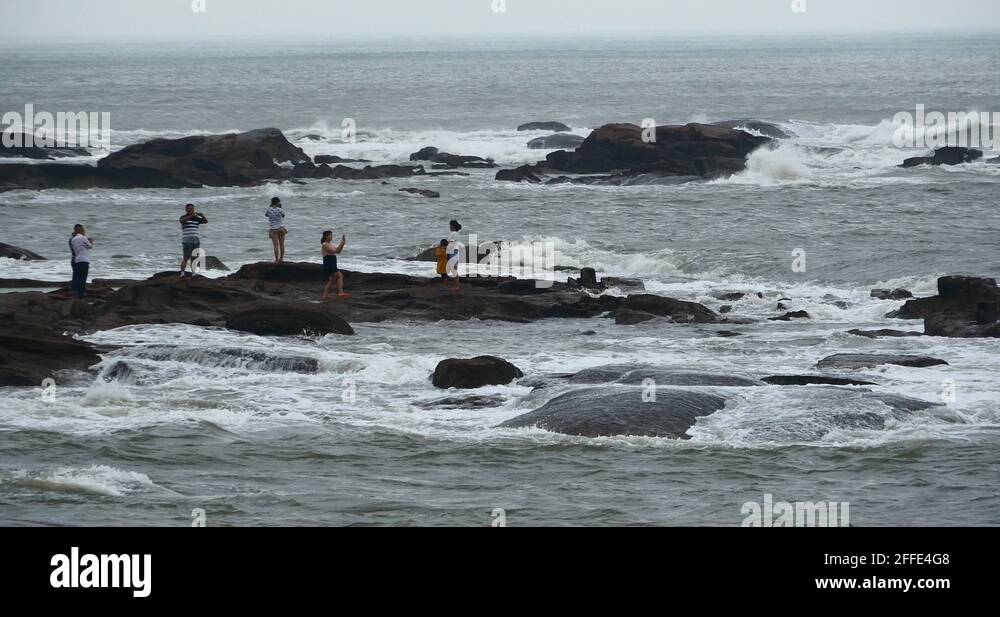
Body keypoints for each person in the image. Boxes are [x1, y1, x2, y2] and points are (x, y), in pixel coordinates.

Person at [179, 204, 208, 278]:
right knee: (186, 257)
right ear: (186, 209)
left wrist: (202, 215)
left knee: (194, 258)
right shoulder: (183, 217)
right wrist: (191, 216)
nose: (191, 210)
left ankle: (193, 273)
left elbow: (205, 221)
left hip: (196, 240)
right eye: (189, 208)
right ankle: (182, 273)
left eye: (192, 208)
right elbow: (182, 221)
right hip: (187, 240)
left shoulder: (196, 218)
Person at [321, 230, 350, 301]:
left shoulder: (329, 244)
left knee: (332, 280)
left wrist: (342, 243)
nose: (331, 237)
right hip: (329, 263)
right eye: (330, 235)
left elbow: (338, 251)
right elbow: (335, 251)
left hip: (332, 262)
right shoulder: (325, 244)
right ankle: (340, 292)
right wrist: (341, 243)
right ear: (326, 236)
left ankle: (325, 295)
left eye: (331, 235)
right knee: (340, 276)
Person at [69, 224, 93, 298]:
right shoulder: (83, 238)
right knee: (83, 277)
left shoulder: (72, 240)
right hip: (84, 260)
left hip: (76, 259)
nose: (84, 231)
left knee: (76, 276)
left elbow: (78, 248)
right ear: (81, 230)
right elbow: (90, 246)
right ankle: (82, 292)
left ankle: (75, 292)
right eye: (83, 230)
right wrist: (91, 241)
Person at [267, 197, 287, 264]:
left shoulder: (269, 210)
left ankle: (276, 260)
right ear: (278, 202)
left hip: (273, 229)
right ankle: (281, 259)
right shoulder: (280, 210)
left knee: (276, 245)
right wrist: (280, 207)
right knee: (282, 244)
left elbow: (266, 215)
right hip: (281, 228)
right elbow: (283, 215)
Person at [446, 220, 462, 292]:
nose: (449, 226)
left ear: (453, 226)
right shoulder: (454, 233)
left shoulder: (454, 233)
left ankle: (456, 287)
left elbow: (450, 243)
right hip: (454, 252)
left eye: (450, 225)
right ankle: (456, 286)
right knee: (454, 269)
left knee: (454, 269)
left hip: (454, 252)